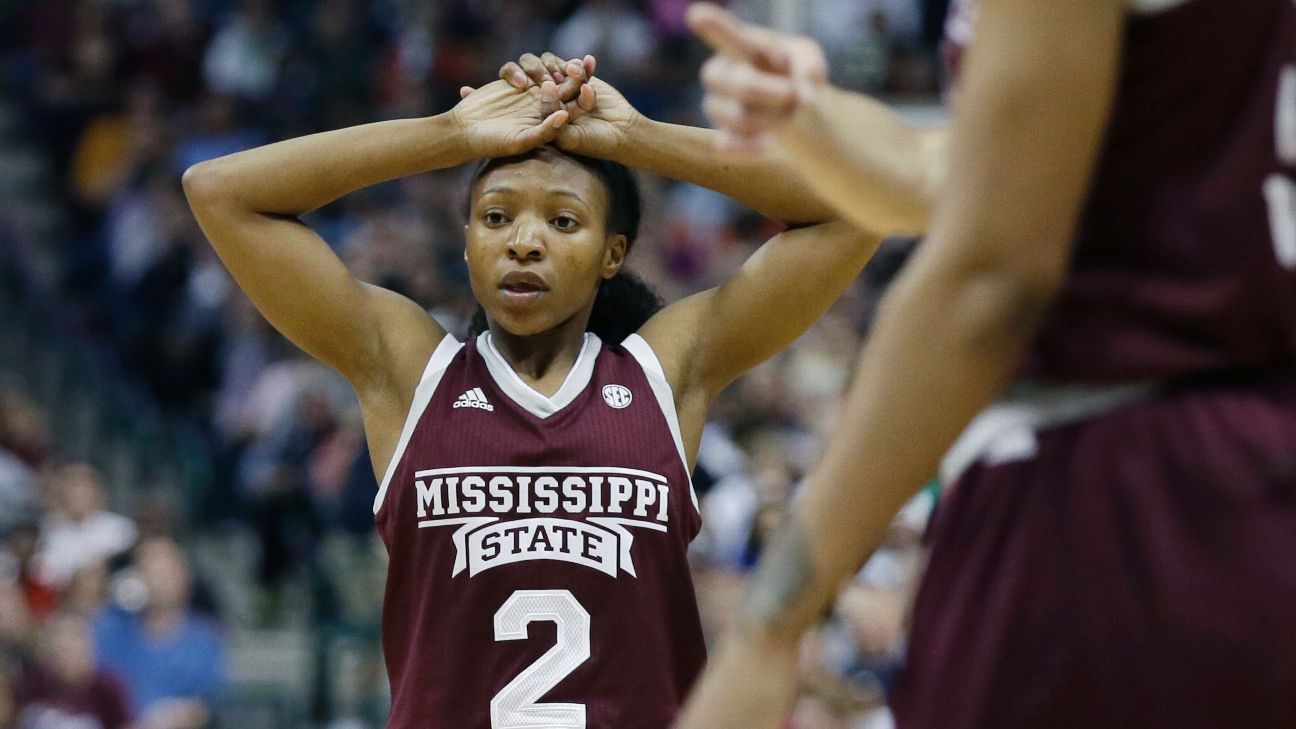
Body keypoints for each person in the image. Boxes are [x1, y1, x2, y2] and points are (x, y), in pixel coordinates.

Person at [181, 53, 882, 727]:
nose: (524, 241)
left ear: (614, 252)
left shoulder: (664, 374)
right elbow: (220, 190)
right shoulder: (409, 373)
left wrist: (638, 138)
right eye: (496, 216)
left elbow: (854, 206)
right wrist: (446, 135)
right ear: (465, 243)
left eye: (563, 220)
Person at [676, 1, 1296, 728]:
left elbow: (991, 278)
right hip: (1240, 478)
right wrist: (811, 116)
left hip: (1111, 491)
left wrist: (769, 627)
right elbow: (983, 177)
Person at [92, 538, 225, 729]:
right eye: (148, 573)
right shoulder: (108, 629)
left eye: (164, 575)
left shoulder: (205, 639)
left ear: (183, 580)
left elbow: (207, 703)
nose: (156, 583)